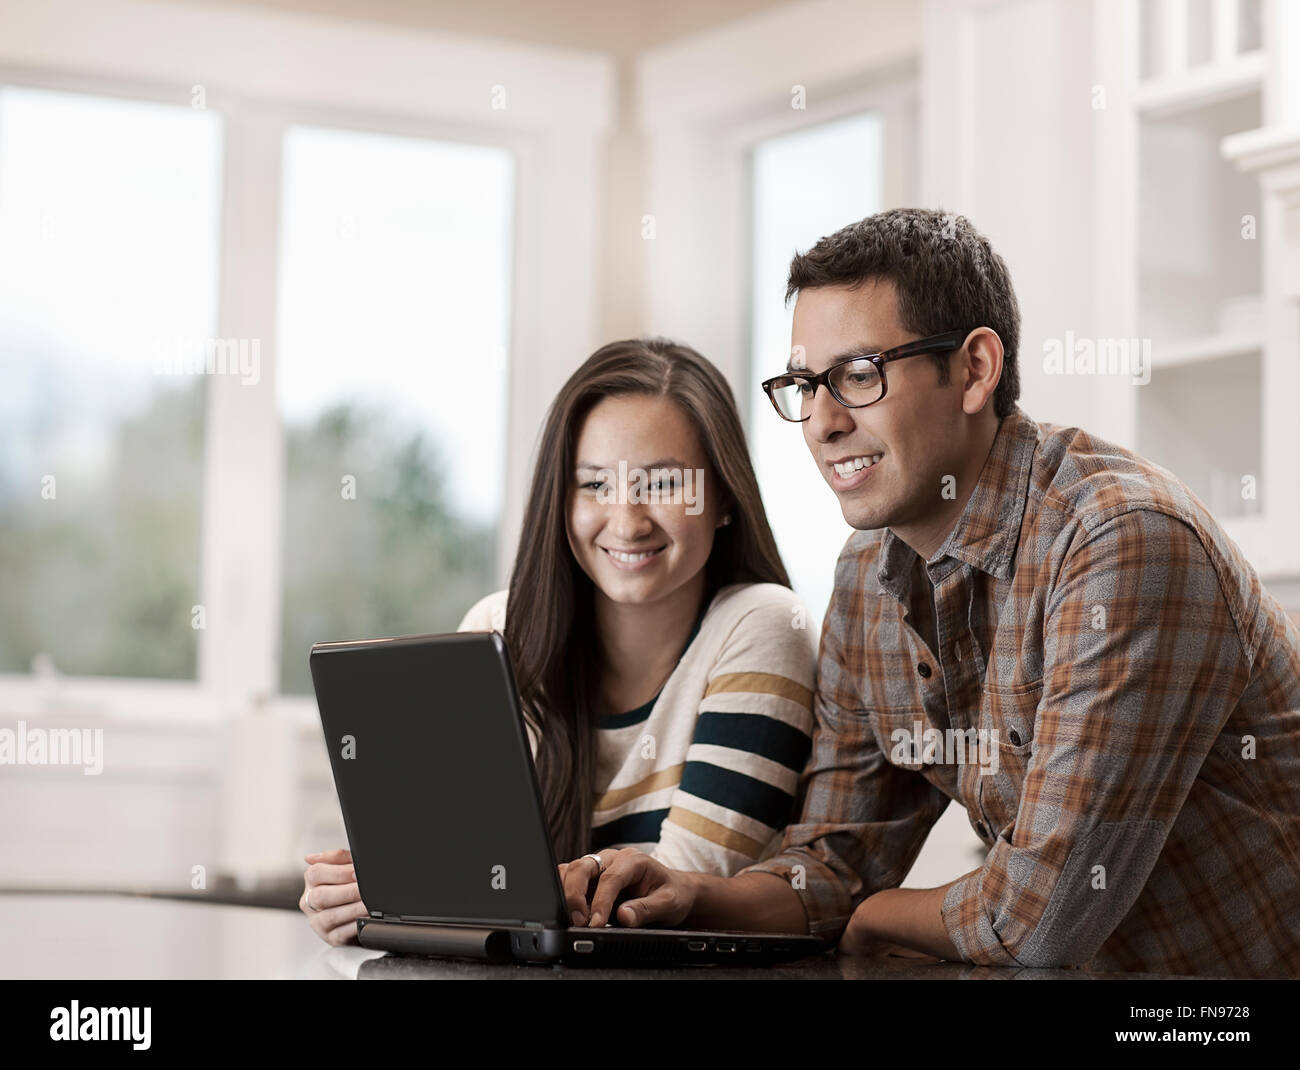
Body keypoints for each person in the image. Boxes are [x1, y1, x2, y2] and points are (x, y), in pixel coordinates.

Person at [558, 209, 1300, 977]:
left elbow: (1038, 920)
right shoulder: (864, 576)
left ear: (975, 370)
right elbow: (836, 864)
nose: (822, 422)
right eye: (805, 384)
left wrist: (876, 915)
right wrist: (692, 895)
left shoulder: (1121, 543)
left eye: (857, 375)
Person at [302, 337, 817, 946]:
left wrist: (449, 889)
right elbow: (454, 867)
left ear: (725, 499)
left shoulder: (761, 624)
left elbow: (668, 896)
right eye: (594, 485)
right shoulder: (501, 631)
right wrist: (370, 892)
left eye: (663, 485)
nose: (627, 522)